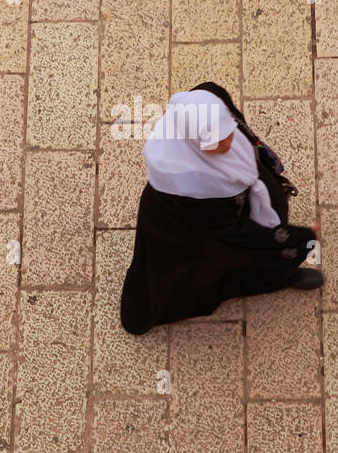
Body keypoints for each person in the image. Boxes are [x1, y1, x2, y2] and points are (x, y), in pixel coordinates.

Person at [120, 82, 323, 334]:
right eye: (215, 142)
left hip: (233, 210)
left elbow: (240, 129)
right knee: (211, 269)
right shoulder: (188, 183)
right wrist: (296, 236)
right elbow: (237, 232)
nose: (228, 143)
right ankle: (280, 276)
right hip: (191, 229)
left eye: (226, 132)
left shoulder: (209, 98)